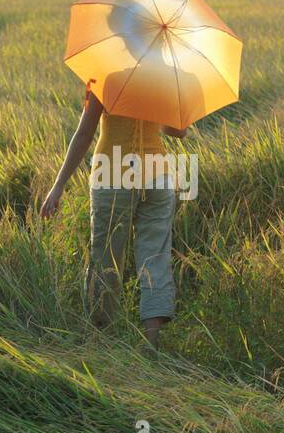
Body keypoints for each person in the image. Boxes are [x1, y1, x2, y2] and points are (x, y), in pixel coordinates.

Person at [40, 89, 189, 350]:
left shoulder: (106, 76)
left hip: (112, 175)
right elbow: (178, 131)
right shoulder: (165, 76)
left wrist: (58, 184)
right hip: (158, 178)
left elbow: (85, 133)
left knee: (105, 258)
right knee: (155, 259)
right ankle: (151, 344)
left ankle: (101, 339)